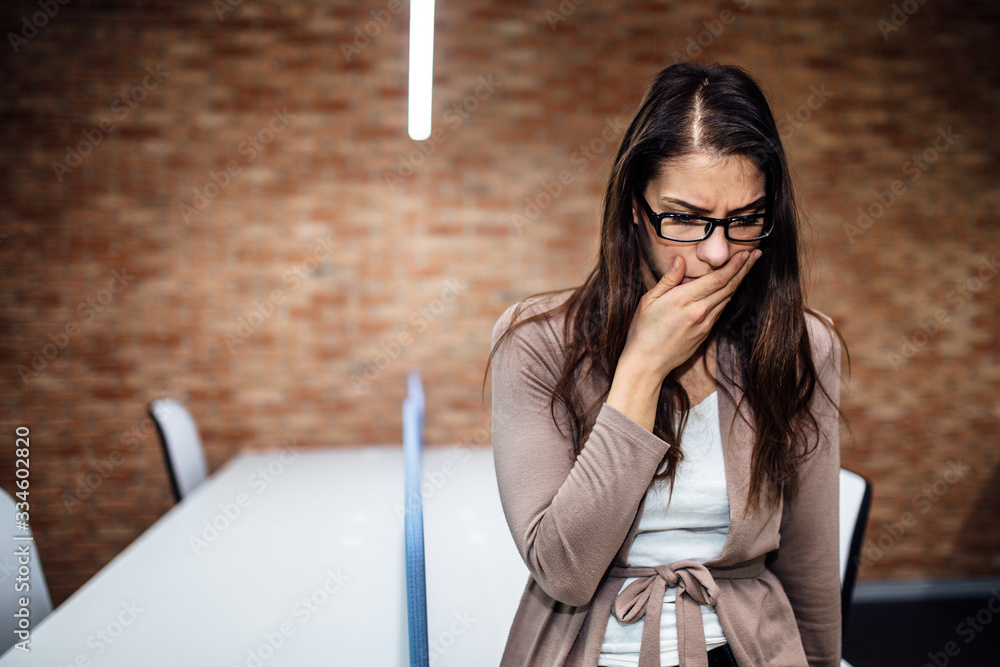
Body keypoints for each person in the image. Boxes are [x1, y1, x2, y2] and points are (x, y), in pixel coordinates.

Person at [488, 61, 845, 667]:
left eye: (744, 220)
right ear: (634, 207)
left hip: (747, 649)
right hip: (591, 650)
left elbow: (810, 562)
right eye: (683, 218)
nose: (715, 251)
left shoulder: (802, 342)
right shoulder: (538, 340)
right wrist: (643, 368)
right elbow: (565, 570)